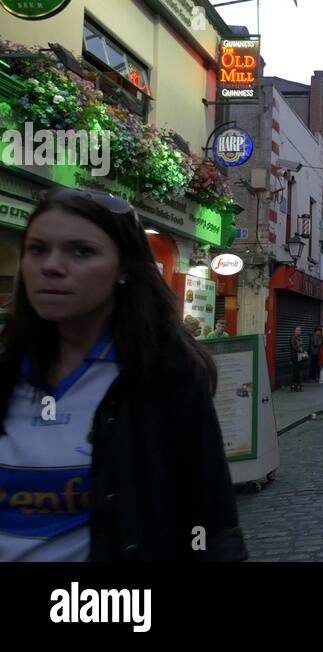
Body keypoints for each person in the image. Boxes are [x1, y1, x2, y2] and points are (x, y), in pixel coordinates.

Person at [0, 188, 246, 561]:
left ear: (124, 269)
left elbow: (210, 523)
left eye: (81, 251)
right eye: (37, 249)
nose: (51, 265)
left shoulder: (166, 376)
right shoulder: (8, 369)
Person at [289, 325, 306, 392]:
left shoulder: (300, 338)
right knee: (295, 372)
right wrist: (300, 350)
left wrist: (303, 351)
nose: (299, 331)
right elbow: (294, 347)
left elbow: (302, 346)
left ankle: (296, 386)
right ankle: (295, 386)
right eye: (298, 330)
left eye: (300, 330)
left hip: (300, 357)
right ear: (294, 331)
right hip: (295, 357)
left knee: (298, 371)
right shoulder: (292, 338)